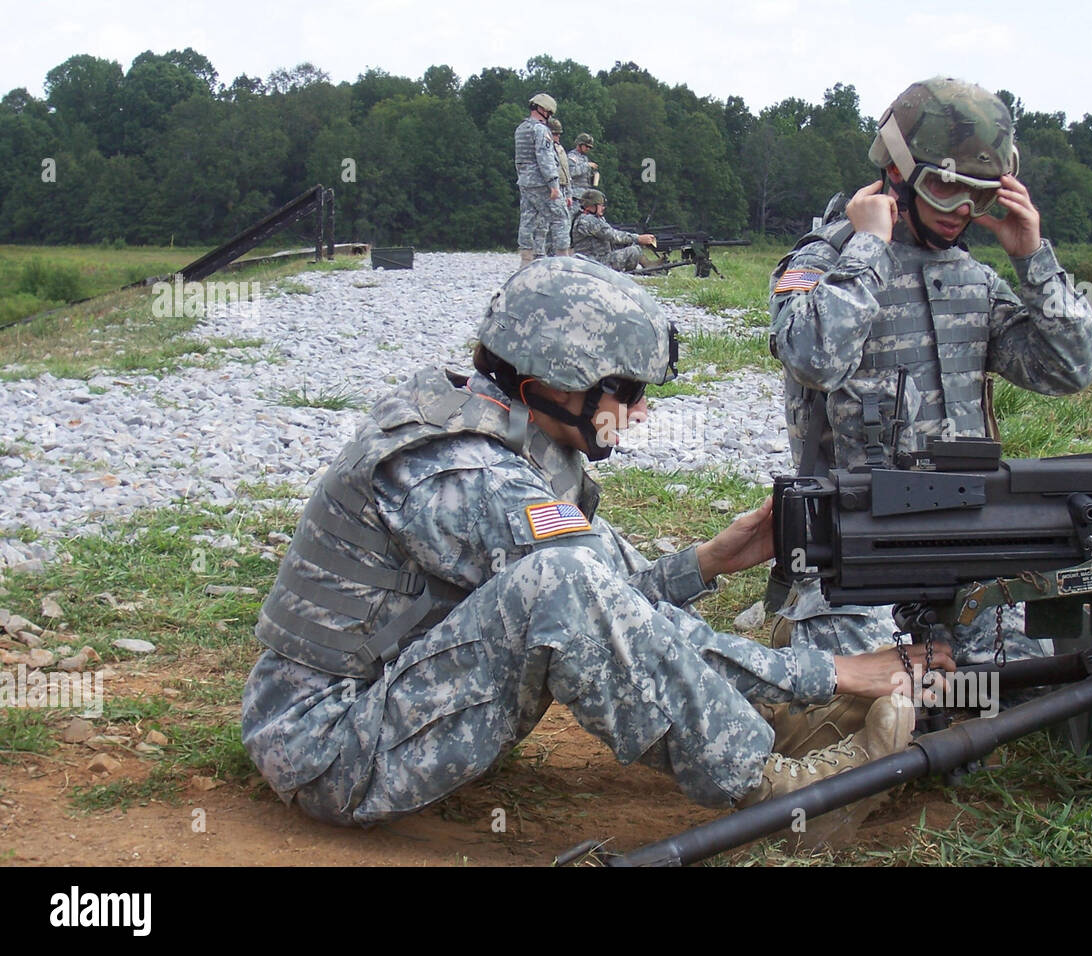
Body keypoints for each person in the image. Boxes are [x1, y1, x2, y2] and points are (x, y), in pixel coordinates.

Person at [242, 257, 953, 843]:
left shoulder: (512, 440)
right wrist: (829, 671)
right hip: (328, 749)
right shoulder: (464, 475)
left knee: (571, 581)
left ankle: (779, 730)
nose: (640, 411)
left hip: (385, 702)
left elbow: (613, 611)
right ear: (553, 377)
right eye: (627, 389)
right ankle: (778, 797)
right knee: (561, 581)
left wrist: (706, 561)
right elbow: (573, 599)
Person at [768, 76, 1092, 671]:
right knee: (867, 696)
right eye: (946, 187)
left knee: (1022, 681)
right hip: (857, 542)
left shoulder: (972, 278)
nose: (962, 211)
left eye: (980, 194)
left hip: (964, 537)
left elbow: (1070, 368)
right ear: (898, 170)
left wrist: (1033, 259)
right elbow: (813, 358)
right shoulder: (828, 259)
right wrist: (869, 246)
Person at [514, 93, 560, 267]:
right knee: (560, 218)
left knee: (527, 220)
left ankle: (525, 262)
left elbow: (519, 159)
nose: (549, 115)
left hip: (525, 181)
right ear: (542, 109)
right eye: (549, 112)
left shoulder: (521, 129)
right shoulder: (540, 129)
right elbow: (545, 158)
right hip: (541, 181)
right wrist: (553, 185)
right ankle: (562, 262)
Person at [571, 190, 657, 272]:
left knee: (631, 246)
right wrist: (638, 238)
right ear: (592, 205)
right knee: (634, 251)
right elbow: (612, 235)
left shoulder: (590, 218)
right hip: (593, 262)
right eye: (601, 205)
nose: (603, 207)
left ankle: (647, 265)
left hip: (595, 260)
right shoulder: (587, 220)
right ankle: (631, 273)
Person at [546, 116, 574, 257]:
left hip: (562, 188)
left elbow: (566, 172)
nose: (557, 137)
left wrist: (569, 194)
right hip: (551, 189)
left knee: (564, 223)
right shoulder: (546, 149)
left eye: (558, 134)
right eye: (554, 133)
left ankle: (560, 252)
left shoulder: (560, 149)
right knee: (550, 224)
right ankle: (550, 252)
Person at [567, 133, 599, 222]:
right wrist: (587, 166)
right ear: (580, 144)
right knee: (570, 220)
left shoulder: (584, 158)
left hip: (584, 196)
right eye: (586, 146)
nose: (588, 149)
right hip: (574, 196)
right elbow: (570, 172)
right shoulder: (572, 157)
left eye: (590, 147)